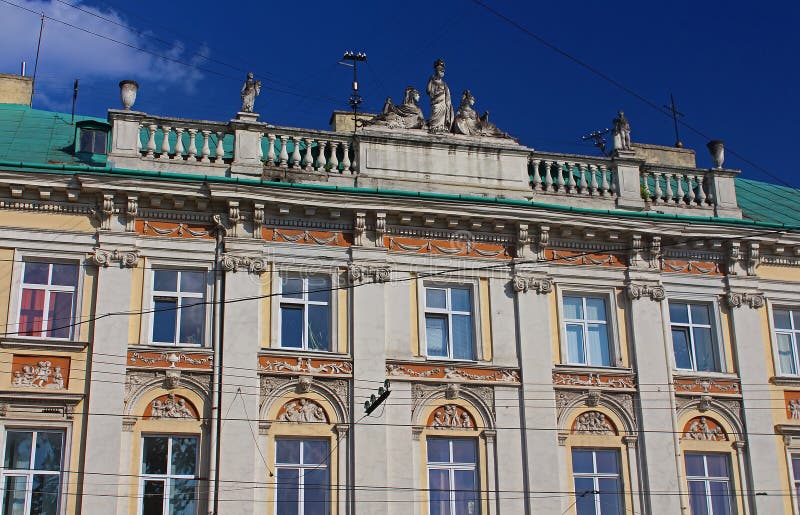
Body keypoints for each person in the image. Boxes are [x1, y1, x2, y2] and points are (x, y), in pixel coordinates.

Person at [426, 59, 453, 133]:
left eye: (443, 70)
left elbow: (448, 96)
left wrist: (448, 104)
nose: (442, 71)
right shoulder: (432, 80)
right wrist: (430, 81)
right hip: (436, 102)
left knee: (442, 115)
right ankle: (434, 127)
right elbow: (428, 90)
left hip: (443, 102)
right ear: (436, 70)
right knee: (435, 112)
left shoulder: (444, 84)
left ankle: (441, 126)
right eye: (440, 69)